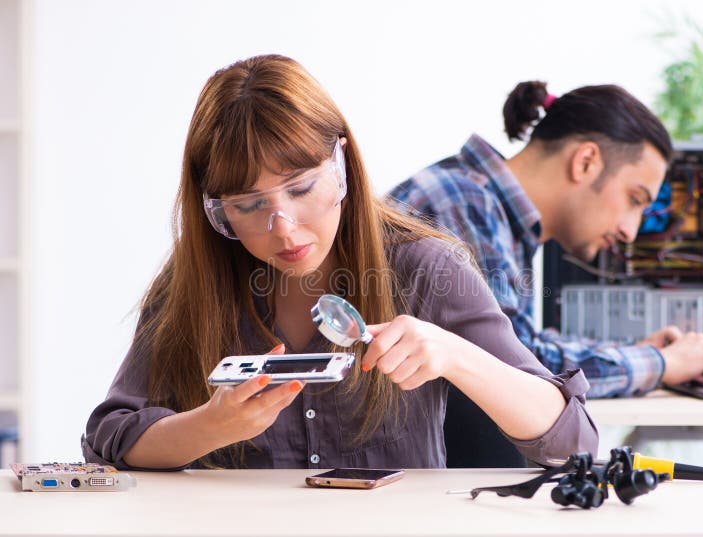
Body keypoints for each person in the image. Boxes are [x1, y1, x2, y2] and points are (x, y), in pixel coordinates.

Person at [81, 57, 597, 471]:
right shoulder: (193, 282)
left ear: (342, 164)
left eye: (302, 188)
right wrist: (208, 427)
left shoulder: (426, 268)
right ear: (214, 209)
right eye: (249, 205)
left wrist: (455, 356)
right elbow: (108, 437)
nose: (284, 229)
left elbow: (572, 442)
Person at [388, 81, 703, 467]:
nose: (630, 231)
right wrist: (658, 363)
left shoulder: (485, 206)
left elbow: (517, 343)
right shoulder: (462, 203)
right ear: (586, 162)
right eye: (634, 199)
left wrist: (641, 354)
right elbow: (523, 368)